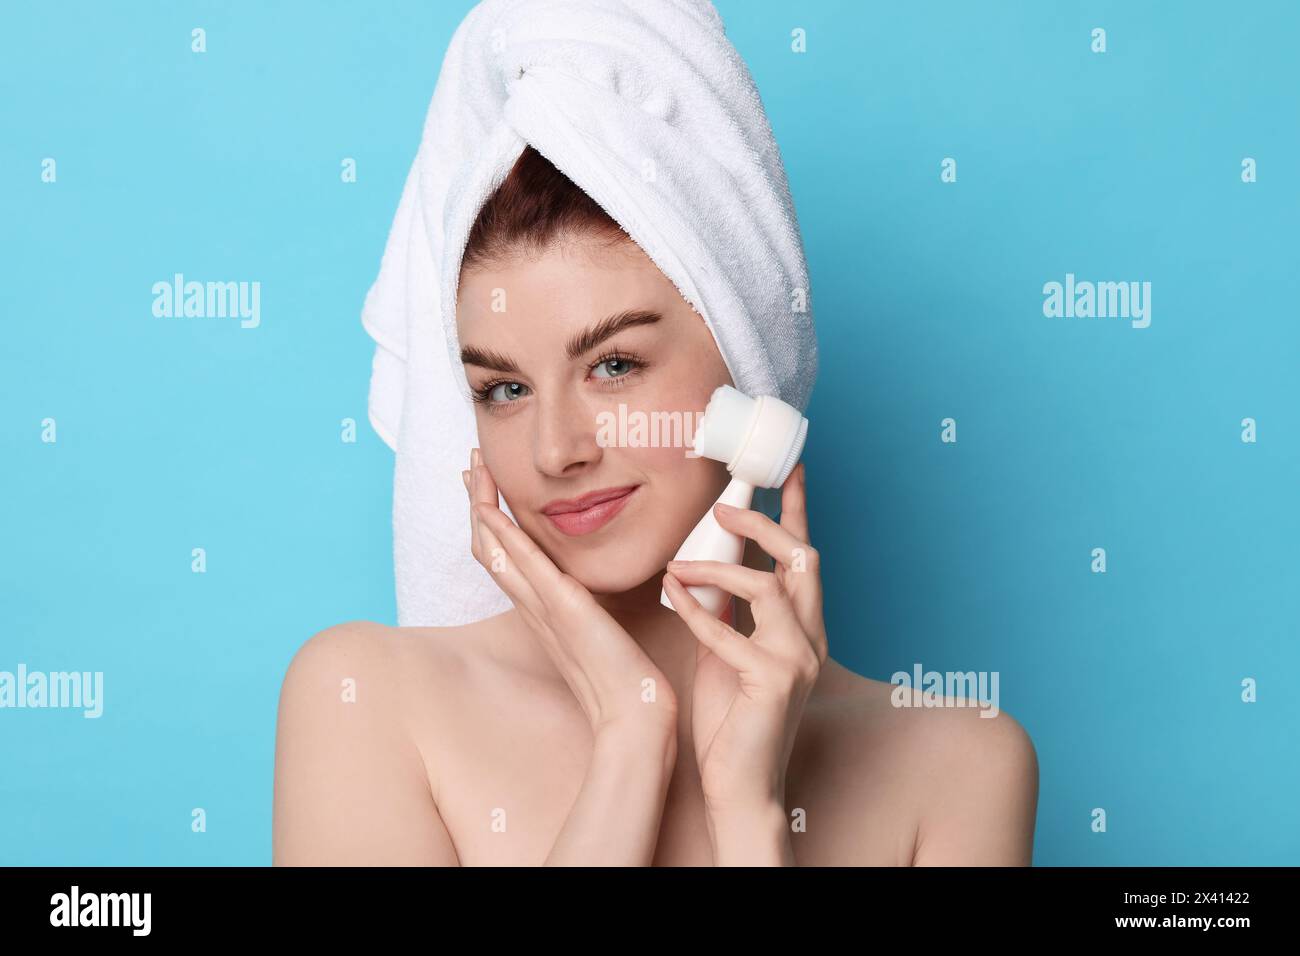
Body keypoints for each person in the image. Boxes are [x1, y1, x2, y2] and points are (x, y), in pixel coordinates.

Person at [272, 143, 1039, 866]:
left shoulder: (959, 765)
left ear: (747, 368)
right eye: (505, 389)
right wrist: (631, 738)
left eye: (613, 365)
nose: (553, 451)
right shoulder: (367, 702)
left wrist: (749, 818)